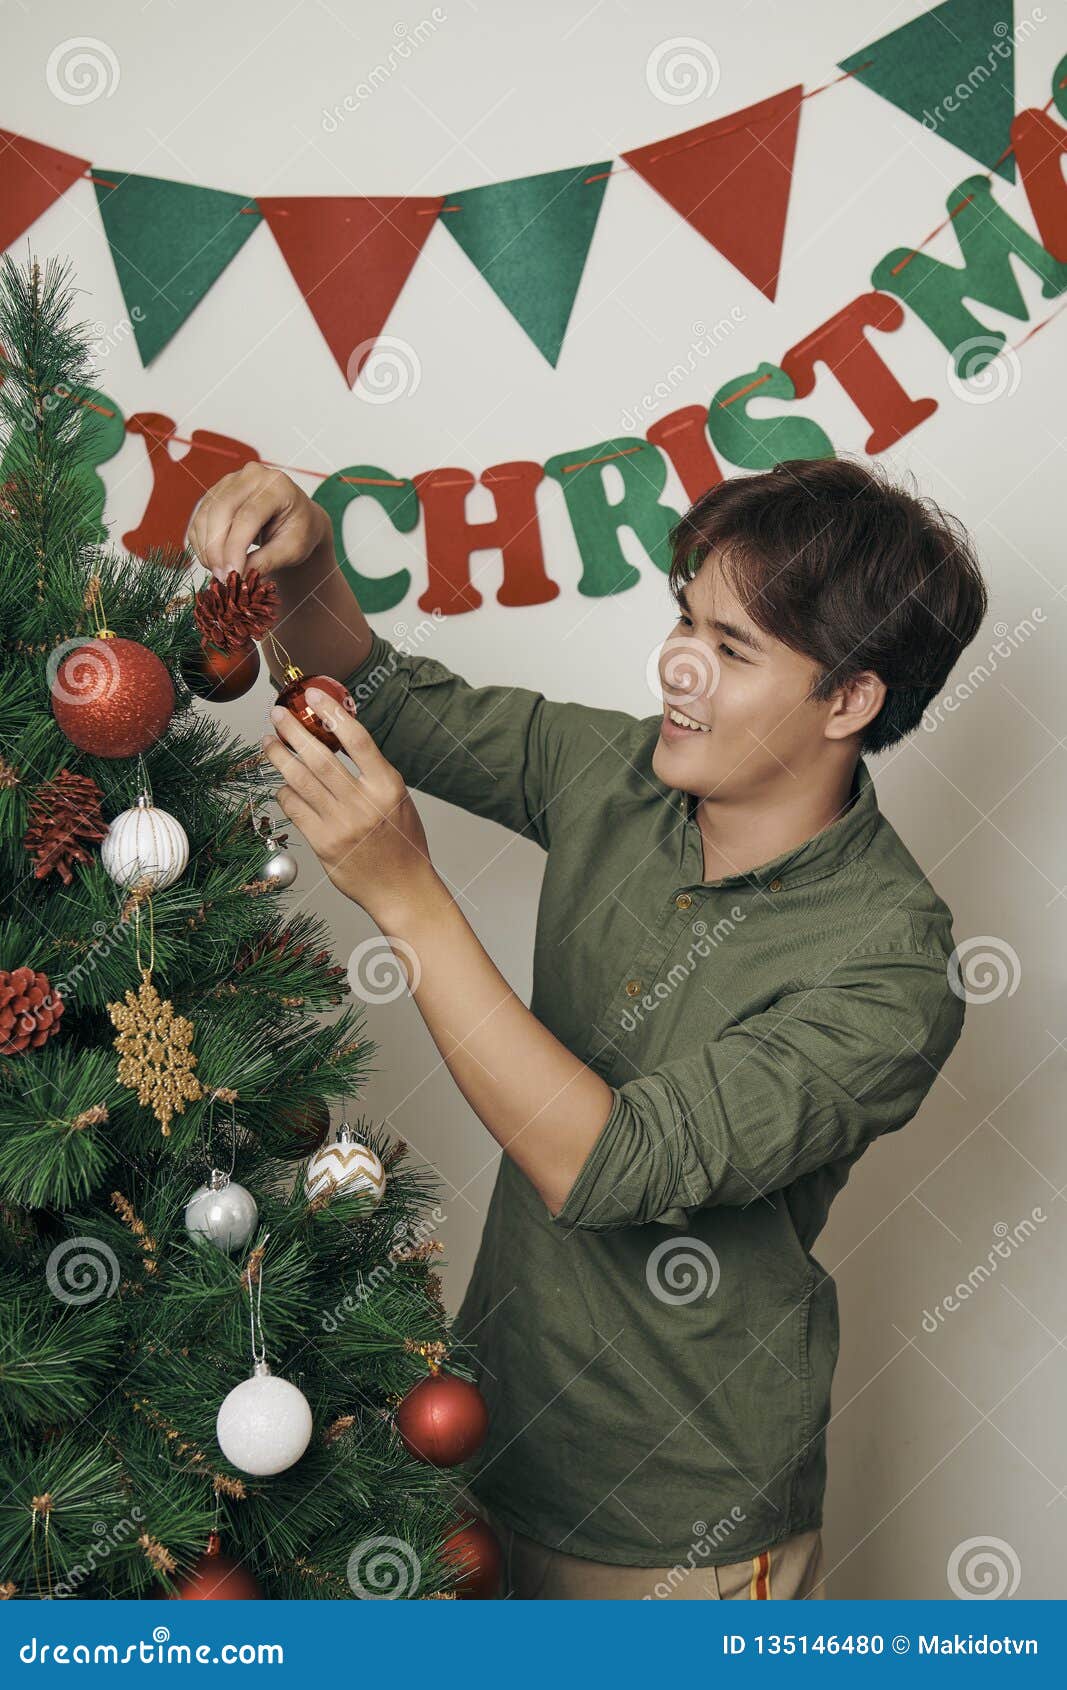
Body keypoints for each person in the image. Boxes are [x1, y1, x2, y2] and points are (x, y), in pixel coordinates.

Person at [189, 455, 987, 1600]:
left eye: (731, 650)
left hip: (681, 1531)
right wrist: (308, 560)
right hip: (478, 1444)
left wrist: (407, 899)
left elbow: (608, 1164)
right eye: (684, 620)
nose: (677, 666)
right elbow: (387, 696)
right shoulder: (615, 772)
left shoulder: (891, 962)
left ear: (849, 700)